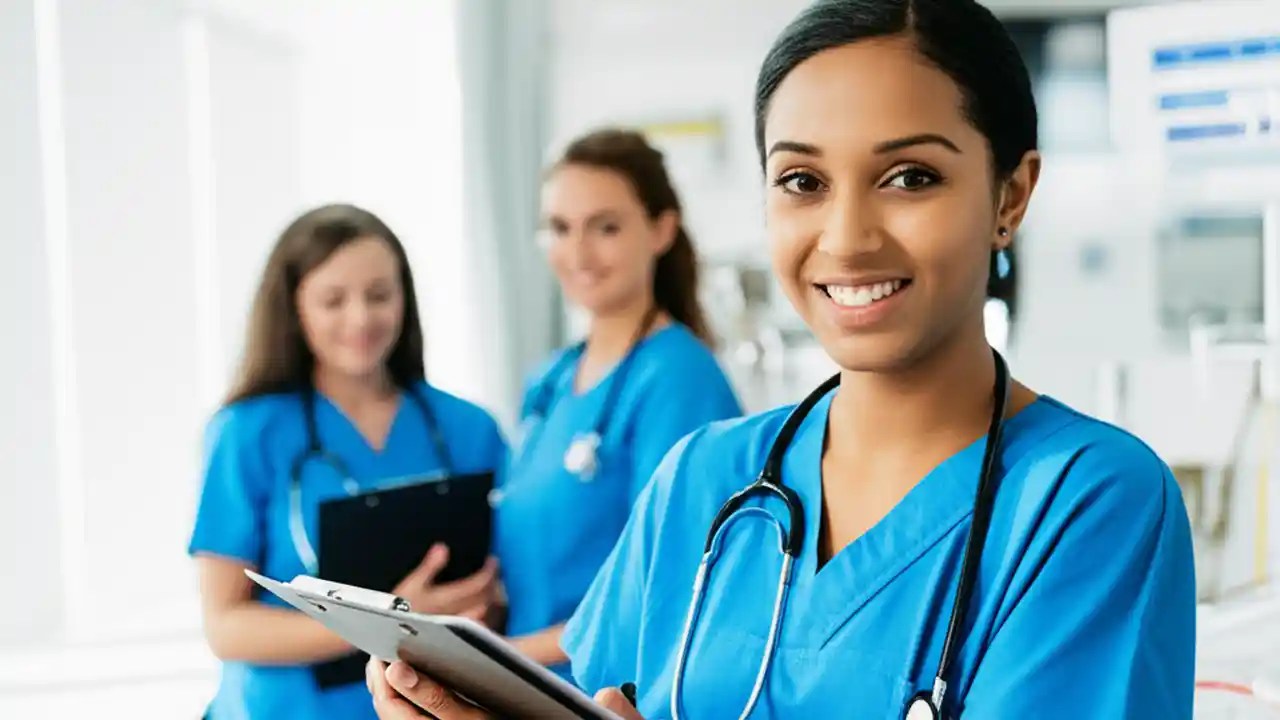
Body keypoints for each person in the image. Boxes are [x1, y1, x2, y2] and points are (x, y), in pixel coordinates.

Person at [366, 1, 1197, 718]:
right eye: (802, 181)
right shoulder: (699, 482)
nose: (848, 237)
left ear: (1010, 195)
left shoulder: (1088, 502)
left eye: (910, 177)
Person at [190, 204, 506, 720]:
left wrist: (481, 607)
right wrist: (397, 621)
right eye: (333, 300)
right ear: (294, 307)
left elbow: (500, 590)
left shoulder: (468, 429)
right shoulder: (247, 434)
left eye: (379, 295)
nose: (360, 318)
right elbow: (225, 627)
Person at [486, 128, 743, 677]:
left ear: (661, 230)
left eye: (605, 227)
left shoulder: (679, 379)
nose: (577, 253)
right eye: (560, 228)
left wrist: (495, 659)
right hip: (523, 685)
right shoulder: (549, 381)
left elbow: (667, 587)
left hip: (610, 695)